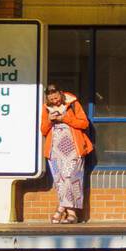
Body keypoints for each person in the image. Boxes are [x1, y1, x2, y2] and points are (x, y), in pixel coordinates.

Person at [40, 83, 92, 223]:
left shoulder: (73, 104)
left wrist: (65, 118)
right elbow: (43, 130)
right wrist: (50, 121)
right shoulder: (46, 109)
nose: (55, 101)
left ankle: (60, 209)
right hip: (55, 151)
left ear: (61, 94)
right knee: (60, 181)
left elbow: (84, 123)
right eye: (51, 99)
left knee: (70, 178)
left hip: (74, 149)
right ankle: (72, 215)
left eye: (56, 98)